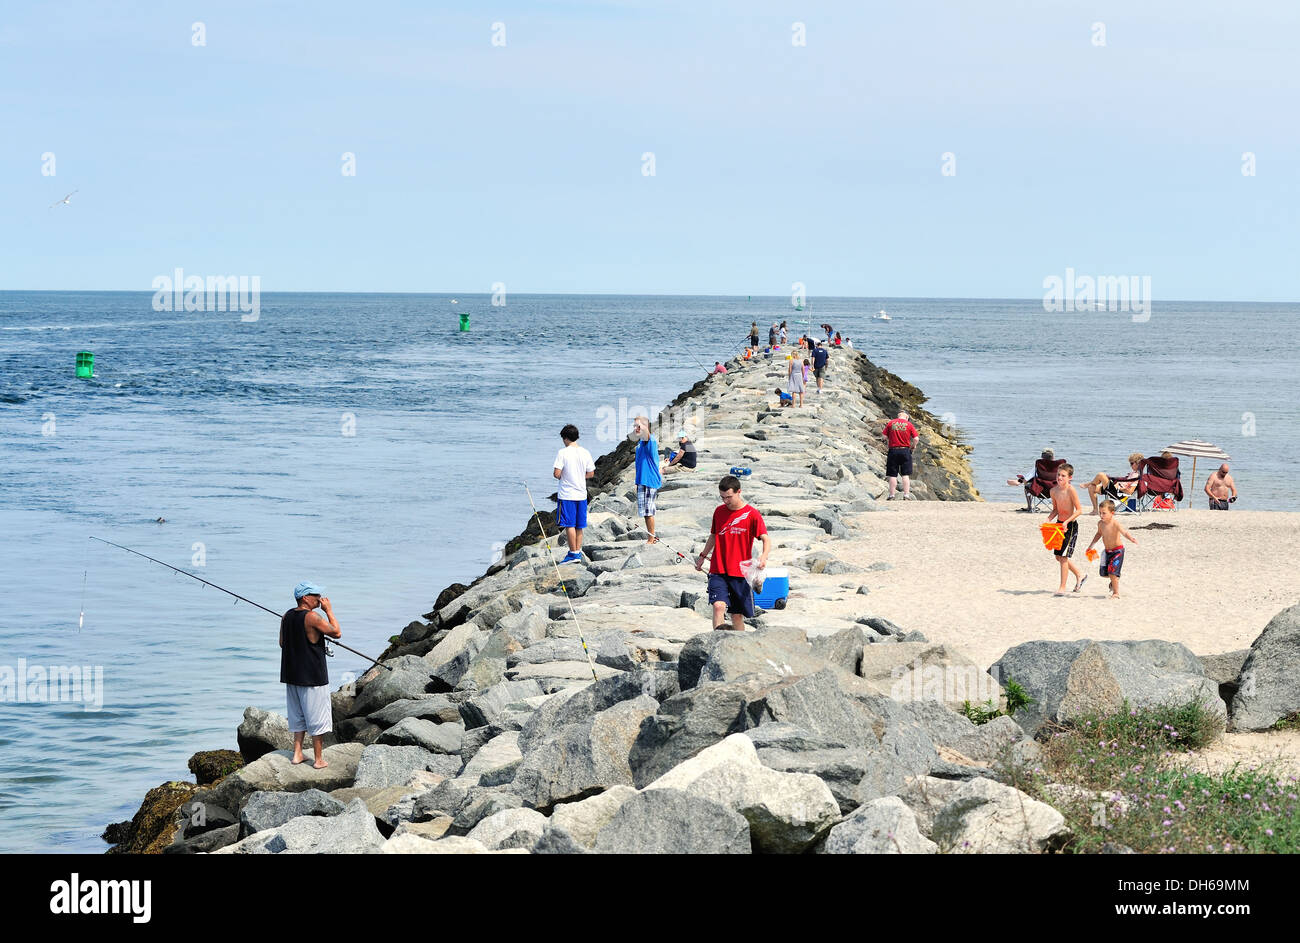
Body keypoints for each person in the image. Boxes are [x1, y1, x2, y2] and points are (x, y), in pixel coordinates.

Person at [695, 475, 771, 631]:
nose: (725, 501)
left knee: (736, 615)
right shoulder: (719, 512)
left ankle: (738, 648)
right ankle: (717, 642)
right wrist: (703, 556)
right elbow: (714, 535)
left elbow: (765, 539)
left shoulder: (752, 514)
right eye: (722, 497)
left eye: (728, 497)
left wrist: (763, 557)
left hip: (740, 573)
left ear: (739, 492)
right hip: (718, 569)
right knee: (718, 606)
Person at [280, 582, 340, 769]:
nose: (320, 598)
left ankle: (297, 754)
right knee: (317, 718)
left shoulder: (286, 616)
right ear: (305, 598)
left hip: (292, 675)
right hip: (313, 676)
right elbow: (337, 632)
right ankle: (318, 759)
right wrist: (329, 610)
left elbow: (282, 643)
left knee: (297, 716)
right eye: (316, 595)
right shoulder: (313, 617)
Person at [553, 423, 595, 564]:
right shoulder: (585, 452)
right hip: (581, 494)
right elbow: (590, 473)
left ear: (565, 438)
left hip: (567, 494)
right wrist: (578, 475)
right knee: (579, 525)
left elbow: (557, 473)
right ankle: (577, 551)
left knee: (569, 524)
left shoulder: (562, 453)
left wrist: (565, 476)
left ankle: (572, 553)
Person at [1047, 464, 1086, 596]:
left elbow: (1079, 510)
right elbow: (1056, 509)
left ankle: (1062, 587)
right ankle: (1080, 575)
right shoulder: (1053, 491)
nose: (1059, 477)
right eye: (1058, 475)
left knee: (1063, 557)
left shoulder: (1071, 490)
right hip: (1059, 525)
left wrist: (1068, 521)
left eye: (1063, 476)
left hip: (1071, 526)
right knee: (1058, 557)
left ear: (1070, 478)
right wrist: (1048, 520)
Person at [1086, 500, 1137, 599]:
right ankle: (1115, 579)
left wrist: (1131, 538)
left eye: (1104, 513)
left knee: (1112, 572)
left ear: (1112, 513)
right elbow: (1098, 534)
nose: (1101, 515)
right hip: (1107, 552)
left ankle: (1116, 592)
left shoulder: (1115, 523)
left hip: (1117, 551)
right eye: (1100, 513)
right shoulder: (1100, 524)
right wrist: (1091, 546)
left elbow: (1124, 532)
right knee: (1104, 574)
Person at [628, 415, 663, 544]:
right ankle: (651, 536)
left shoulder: (650, 441)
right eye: (634, 426)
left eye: (638, 426)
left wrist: (642, 425)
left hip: (649, 480)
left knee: (648, 511)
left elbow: (647, 434)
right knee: (645, 511)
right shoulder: (641, 443)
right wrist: (637, 482)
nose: (636, 428)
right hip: (642, 480)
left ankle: (651, 538)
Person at [882, 410, 920, 500]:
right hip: (905, 451)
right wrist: (913, 446)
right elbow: (916, 438)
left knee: (893, 475)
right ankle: (906, 495)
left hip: (893, 451)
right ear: (907, 417)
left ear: (899, 416)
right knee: (905, 475)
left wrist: (889, 440)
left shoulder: (891, 423)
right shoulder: (909, 424)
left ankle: (892, 495)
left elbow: (883, 436)